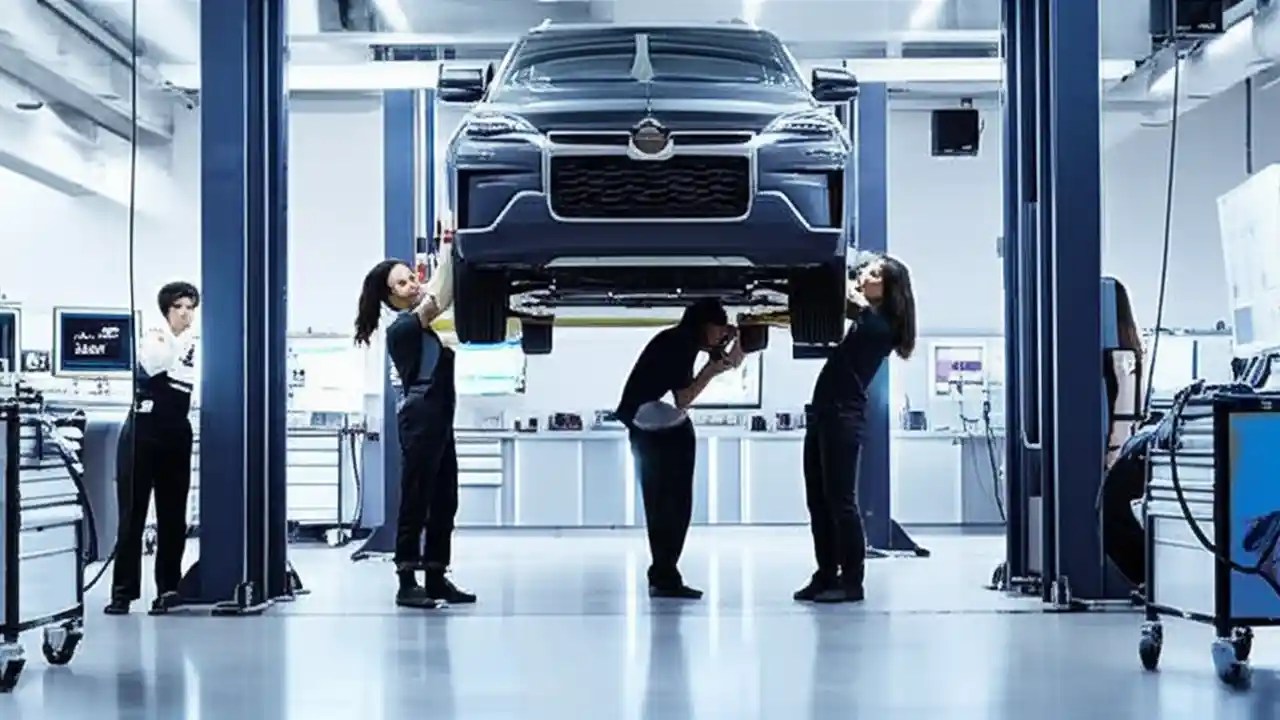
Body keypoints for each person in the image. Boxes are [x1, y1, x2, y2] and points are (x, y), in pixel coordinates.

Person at [354, 245, 475, 609]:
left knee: (445, 498)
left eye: (412, 278)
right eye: (402, 283)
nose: (412, 285)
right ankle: (406, 581)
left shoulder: (423, 327)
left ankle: (436, 576)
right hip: (421, 418)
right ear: (390, 296)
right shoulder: (404, 327)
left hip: (439, 416)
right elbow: (439, 298)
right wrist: (451, 249)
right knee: (417, 498)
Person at [792, 253, 917, 604]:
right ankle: (825, 574)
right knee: (819, 501)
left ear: (889, 287)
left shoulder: (882, 326)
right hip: (825, 414)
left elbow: (849, 298)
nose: (865, 276)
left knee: (841, 503)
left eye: (873, 274)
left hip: (842, 416)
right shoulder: (868, 321)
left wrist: (839, 273)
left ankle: (851, 582)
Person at [616, 299, 742, 599]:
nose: (721, 336)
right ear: (705, 326)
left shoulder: (675, 339)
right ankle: (665, 573)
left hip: (641, 424)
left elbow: (726, 360)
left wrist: (729, 345)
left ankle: (663, 573)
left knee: (658, 504)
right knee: (675, 505)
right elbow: (684, 398)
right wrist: (711, 371)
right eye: (718, 330)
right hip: (661, 429)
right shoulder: (682, 345)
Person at [105, 281, 201, 615]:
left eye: (190, 308)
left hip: (176, 434)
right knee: (132, 516)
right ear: (166, 310)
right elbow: (157, 361)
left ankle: (168, 590)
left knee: (173, 518)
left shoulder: (196, 344)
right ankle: (122, 593)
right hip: (142, 434)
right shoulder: (153, 337)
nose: (185, 313)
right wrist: (177, 343)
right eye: (179, 307)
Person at [1099, 277, 1148, 588]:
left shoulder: (1122, 357)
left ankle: (1146, 579)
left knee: (1112, 516)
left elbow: (1123, 411)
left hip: (1121, 451)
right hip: (1127, 450)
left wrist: (1112, 454)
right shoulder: (1131, 351)